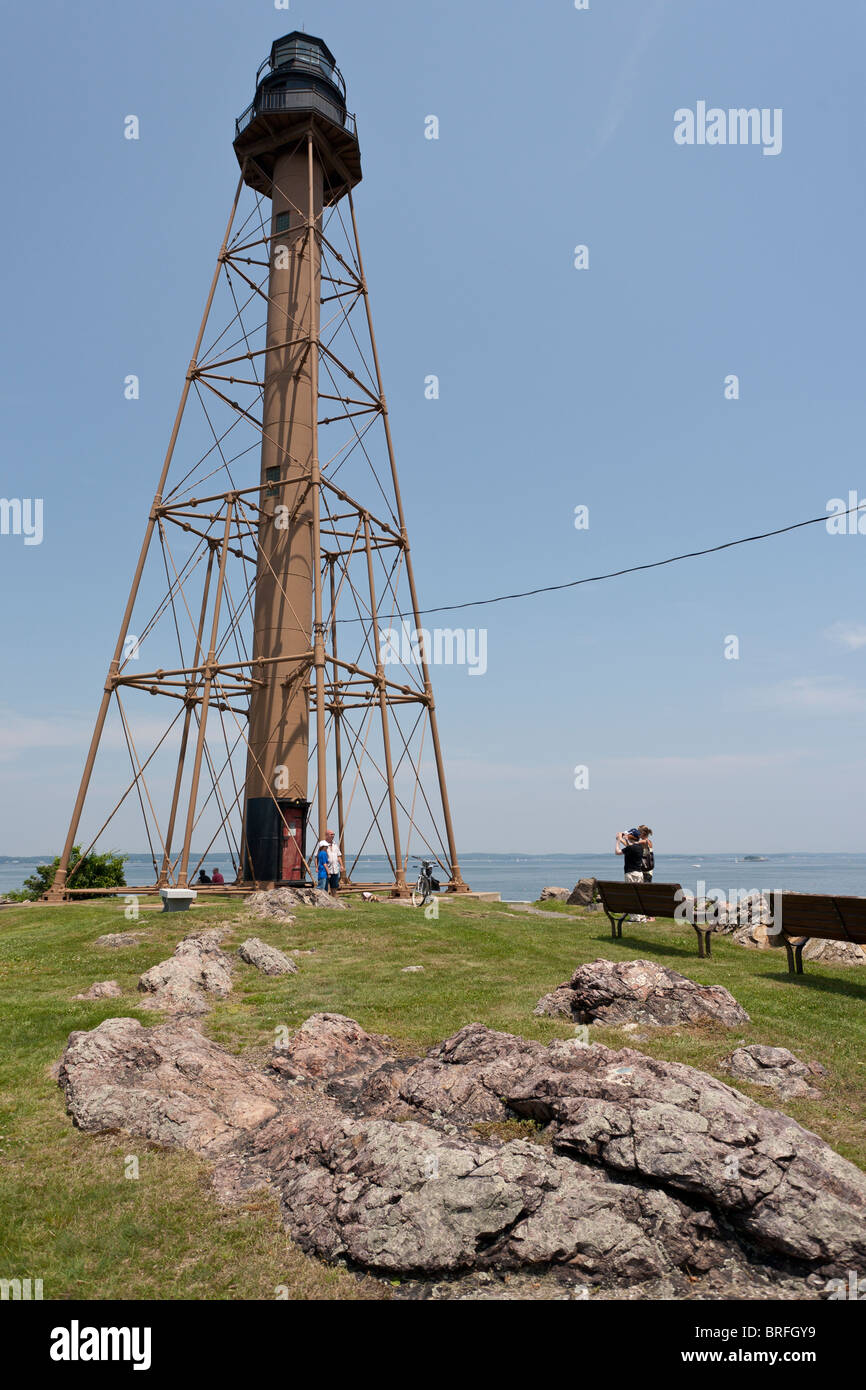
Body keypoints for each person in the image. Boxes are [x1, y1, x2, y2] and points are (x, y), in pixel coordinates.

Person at [325, 829, 343, 897]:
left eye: (333, 834)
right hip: (326, 869)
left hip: (335, 869)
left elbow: (338, 856)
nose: (333, 836)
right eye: (331, 834)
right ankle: (326, 899)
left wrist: (341, 865)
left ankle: (335, 899)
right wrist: (317, 866)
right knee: (325, 886)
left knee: (334, 886)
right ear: (327, 835)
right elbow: (317, 856)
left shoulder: (335, 845)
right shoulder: (323, 844)